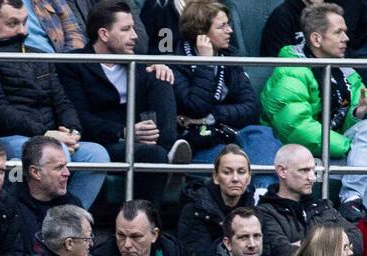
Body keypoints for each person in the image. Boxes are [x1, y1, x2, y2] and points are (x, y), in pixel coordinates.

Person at [0, 0, 109, 209]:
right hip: (7, 137)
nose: (22, 31)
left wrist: (72, 130)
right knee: (54, 153)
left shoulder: (40, 55)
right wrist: (46, 135)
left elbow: (62, 100)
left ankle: (69, 218)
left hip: (48, 136)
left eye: (24, 22)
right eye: (12, 24)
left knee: (96, 154)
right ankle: (40, 220)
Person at [55, 1, 191, 202]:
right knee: (153, 156)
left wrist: (159, 66)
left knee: (160, 76)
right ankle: (166, 167)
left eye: (133, 29)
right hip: (103, 140)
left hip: (143, 138)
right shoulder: (74, 64)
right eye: (126, 30)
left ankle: (169, 148)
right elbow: (79, 117)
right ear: (104, 34)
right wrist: (124, 132)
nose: (135, 36)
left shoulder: (136, 63)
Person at [261, 3, 367, 216]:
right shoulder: (292, 71)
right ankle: (352, 199)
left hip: (336, 152)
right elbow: (299, 129)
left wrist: (357, 114)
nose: (346, 38)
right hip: (301, 158)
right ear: (316, 39)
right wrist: (351, 146)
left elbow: (342, 122)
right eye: (338, 32)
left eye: (345, 31)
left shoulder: (344, 69)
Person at [172, 2, 282, 183]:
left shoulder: (229, 57)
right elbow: (196, 107)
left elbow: (250, 107)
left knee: (262, 135)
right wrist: (205, 64)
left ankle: (263, 194)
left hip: (229, 130)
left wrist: (215, 115)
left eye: (229, 24)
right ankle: (261, 198)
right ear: (201, 33)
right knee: (237, 163)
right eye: (222, 26)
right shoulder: (177, 63)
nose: (230, 30)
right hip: (203, 141)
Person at [255, 143, 361, 256]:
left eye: (313, 170)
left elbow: (358, 243)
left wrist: (303, 244)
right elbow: (283, 255)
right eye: (304, 170)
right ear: (282, 171)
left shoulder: (324, 207)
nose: (312, 178)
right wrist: (337, 244)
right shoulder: (265, 212)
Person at [177, 145, 256, 256]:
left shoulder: (255, 213)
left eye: (241, 172)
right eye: (227, 172)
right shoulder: (194, 210)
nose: (235, 178)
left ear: (249, 178)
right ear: (215, 177)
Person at [12, 134, 81, 256]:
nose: (67, 173)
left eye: (66, 166)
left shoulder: (73, 206)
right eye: (59, 167)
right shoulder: (9, 206)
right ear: (35, 172)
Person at [261, 0, 367, 57]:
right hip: (300, 79)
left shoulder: (337, 12)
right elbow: (277, 63)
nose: (345, 38)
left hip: (334, 75)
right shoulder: (282, 16)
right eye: (338, 32)